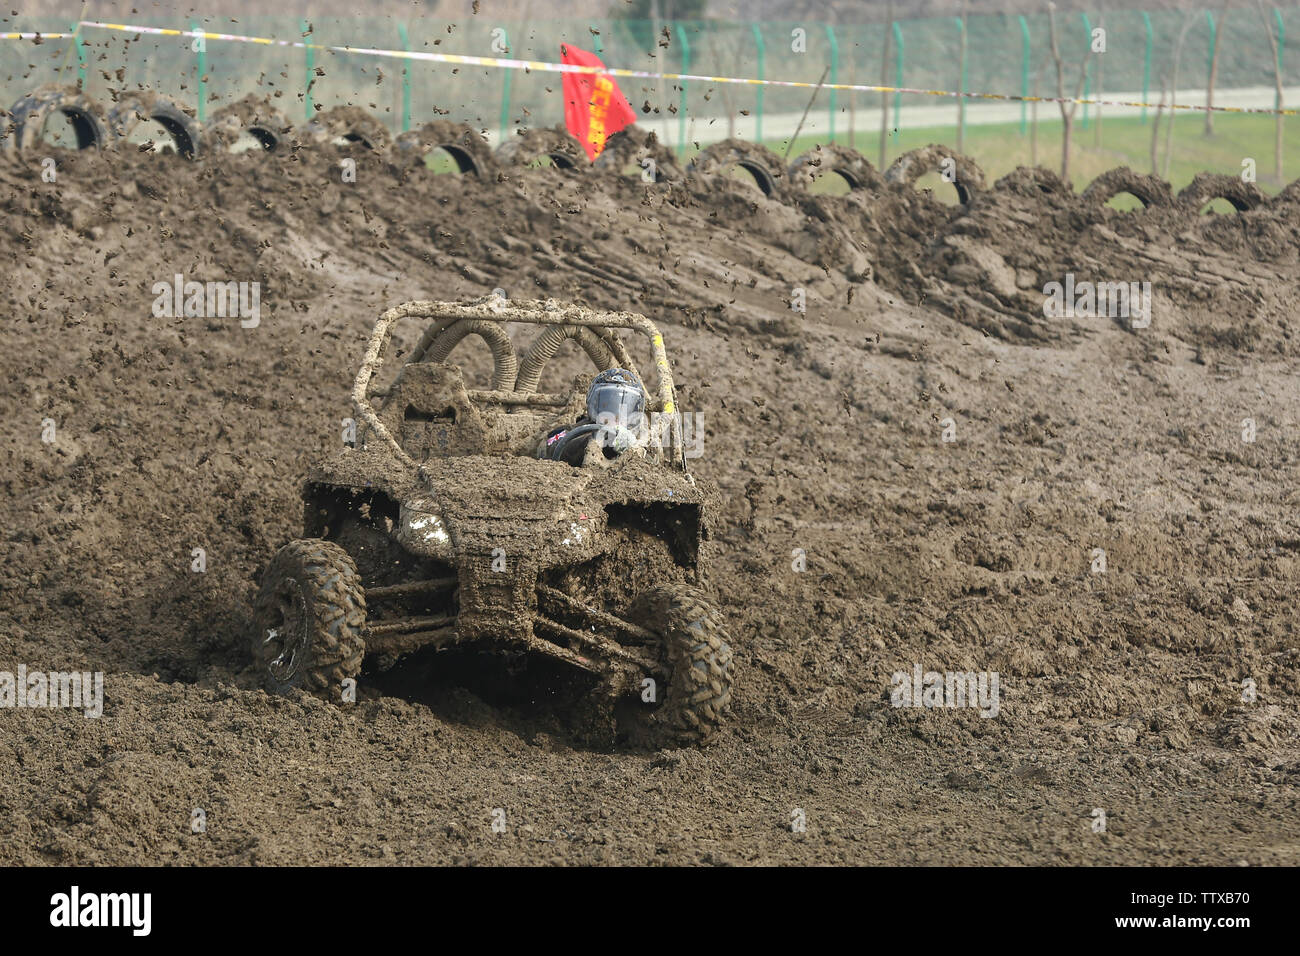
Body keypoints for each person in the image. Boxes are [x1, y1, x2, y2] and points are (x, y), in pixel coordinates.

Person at [542, 368, 647, 466]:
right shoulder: (579, 428)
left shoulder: (640, 438)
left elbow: (654, 462)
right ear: (593, 404)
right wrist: (597, 439)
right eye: (609, 406)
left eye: (625, 410)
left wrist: (635, 448)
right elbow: (552, 445)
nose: (616, 417)